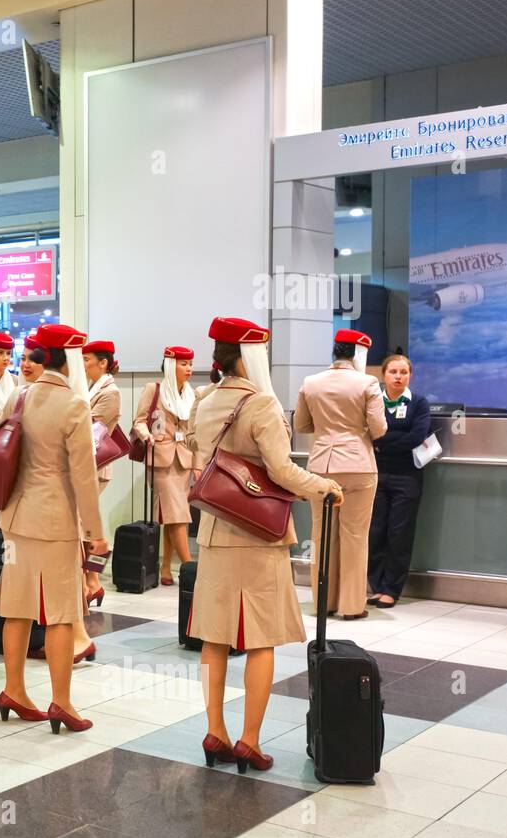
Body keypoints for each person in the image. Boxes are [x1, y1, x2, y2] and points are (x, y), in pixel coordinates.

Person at [190, 317, 342, 773]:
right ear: (248, 355)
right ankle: (249, 741)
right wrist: (324, 485)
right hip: (258, 534)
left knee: (214, 637)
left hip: (215, 531)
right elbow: (281, 471)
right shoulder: (261, 405)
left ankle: (215, 731)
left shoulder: (204, 401)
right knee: (261, 640)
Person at [0, 324, 109, 734]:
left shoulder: (19, 395)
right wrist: (96, 532)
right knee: (61, 612)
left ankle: (14, 690)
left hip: (16, 519)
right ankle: (61, 702)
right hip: (56, 521)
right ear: (71, 358)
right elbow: (83, 476)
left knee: (18, 606)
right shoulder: (74, 405)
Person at [294, 329, 387, 620]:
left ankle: (325, 602)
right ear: (359, 353)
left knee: (322, 535)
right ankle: (350, 606)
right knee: (355, 536)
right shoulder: (368, 382)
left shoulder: (311, 382)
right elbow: (379, 427)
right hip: (359, 465)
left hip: (321, 465)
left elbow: (301, 424)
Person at [368, 354, 431, 608]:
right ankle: (376, 585)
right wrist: (388, 440)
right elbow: (368, 433)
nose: (398, 376)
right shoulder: (374, 402)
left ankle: (392, 589)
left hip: (407, 477)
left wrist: (383, 442)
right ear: (383, 375)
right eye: (393, 371)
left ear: (410, 375)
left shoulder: (419, 403)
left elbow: (416, 436)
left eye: (403, 372)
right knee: (376, 531)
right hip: (377, 475)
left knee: (399, 533)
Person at [133, 346, 196, 585]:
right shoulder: (154, 390)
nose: (188, 368)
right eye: (183, 363)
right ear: (171, 365)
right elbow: (139, 421)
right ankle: (190, 569)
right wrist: (146, 434)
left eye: (190, 363)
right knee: (178, 514)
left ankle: (166, 568)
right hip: (160, 457)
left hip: (184, 459)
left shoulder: (191, 394)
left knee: (171, 515)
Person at [82, 340, 121, 606]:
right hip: (84, 466)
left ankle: (93, 580)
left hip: (95, 467)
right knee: (85, 528)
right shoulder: (91, 387)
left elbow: (94, 428)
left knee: (90, 529)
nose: (83, 364)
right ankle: (90, 582)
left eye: (87, 359)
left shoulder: (110, 392)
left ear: (103, 362)